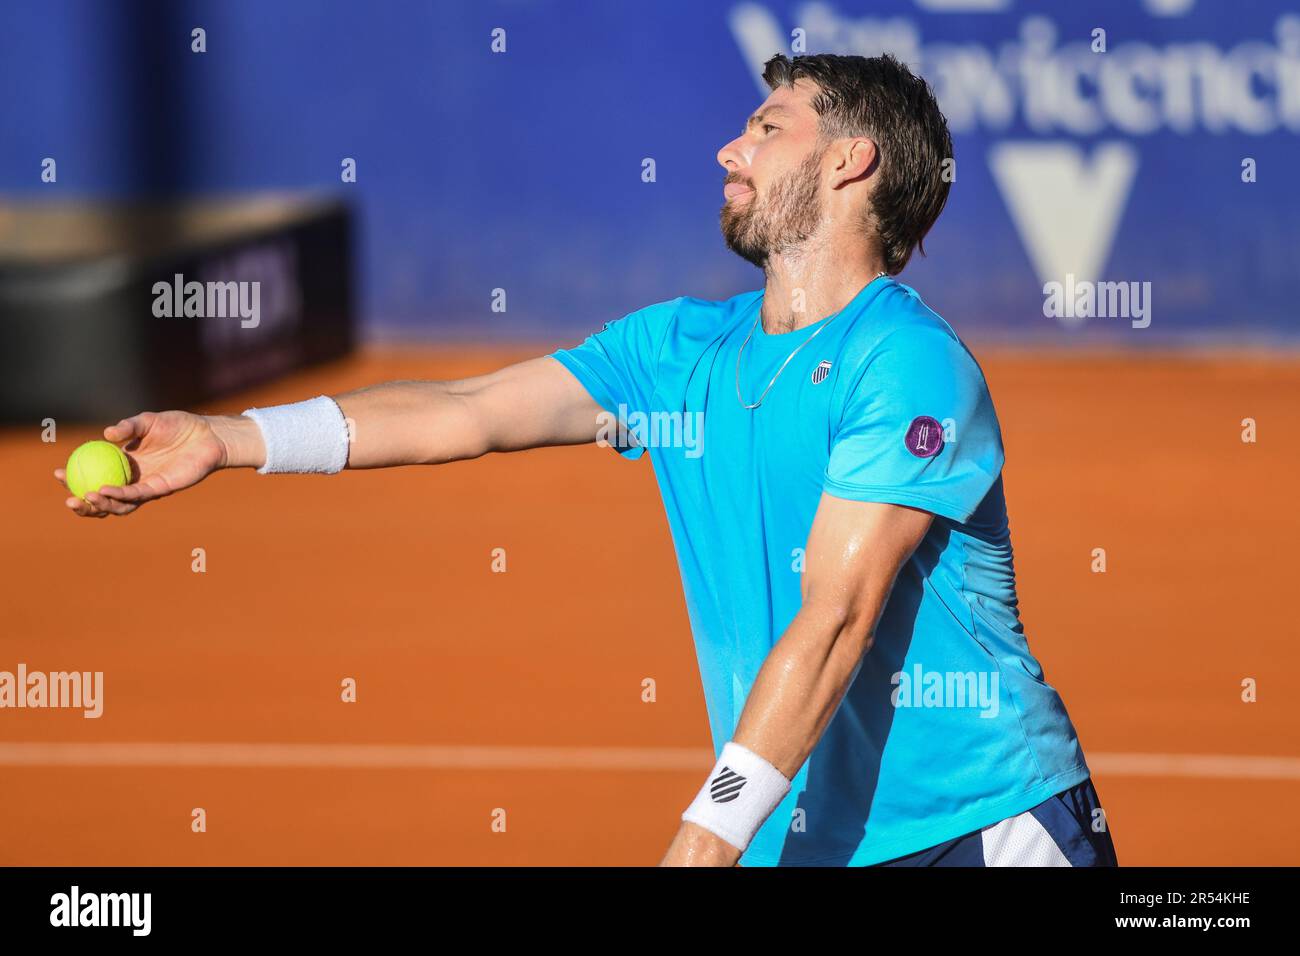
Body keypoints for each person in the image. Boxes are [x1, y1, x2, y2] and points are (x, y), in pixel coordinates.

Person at [57, 53, 1117, 868]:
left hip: (981, 822)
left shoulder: (907, 361)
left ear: (848, 161)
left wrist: (704, 839)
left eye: (764, 127)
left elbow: (835, 618)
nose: (727, 150)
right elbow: (462, 410)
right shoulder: (676, 351)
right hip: (811, 830)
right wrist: (231, 438)